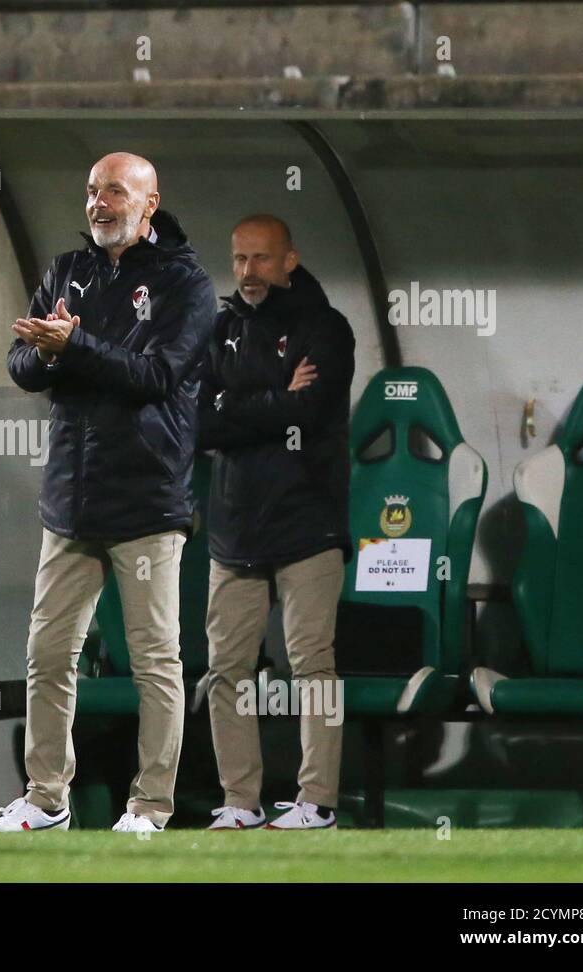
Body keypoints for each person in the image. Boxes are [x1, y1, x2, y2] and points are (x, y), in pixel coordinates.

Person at [0, 152, 215, 834]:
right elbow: (22, 362)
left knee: (154, 661)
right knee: (49, 655)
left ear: (149, 203)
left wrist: (75, 348)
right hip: (71, 503)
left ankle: (149, 807)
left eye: (114, 191)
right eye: (90, 191)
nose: (98, 203)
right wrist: (56, 351)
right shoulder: (66, 270)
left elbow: (157, 375)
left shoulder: (185, 284)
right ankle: (47, 798)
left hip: (145, 505)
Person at [197, 214, 355, 830]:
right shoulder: (220, 327)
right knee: (225, 669)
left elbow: (310, 412)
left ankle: (317, 802)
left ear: (289, 260)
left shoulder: (326, 328)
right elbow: (199, 420)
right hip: (234, 528)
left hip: (307, 523)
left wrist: (240, 405)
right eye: (238, 260)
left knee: (311, 664)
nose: (247, 272)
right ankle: (240, 804)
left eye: (261, 259)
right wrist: (274, 399)